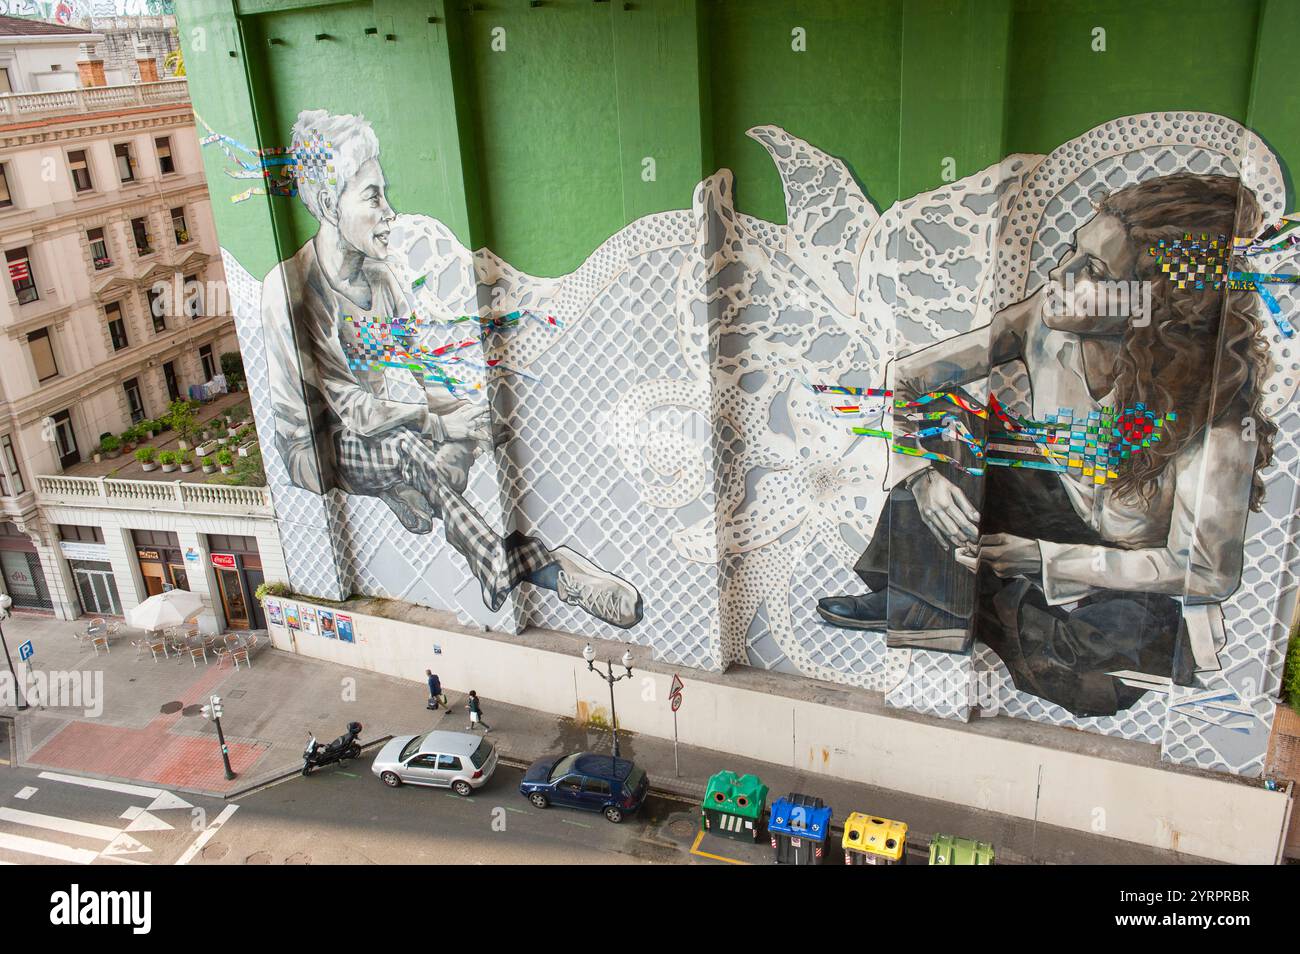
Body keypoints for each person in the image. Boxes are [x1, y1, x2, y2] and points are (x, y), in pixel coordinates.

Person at [817, 173, 1276, 717]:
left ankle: (953, 598)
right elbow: (912, 377)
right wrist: (922, 475)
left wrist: (1038, 559)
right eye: (1072, 253)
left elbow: (1205, 572)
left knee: (1102, 664)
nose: (1062, 273)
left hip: (1125, 574)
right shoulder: (1042, 320)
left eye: (1096, 272)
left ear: (1159, 301)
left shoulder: (1215, 413)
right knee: (952, 420)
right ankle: (928, 597)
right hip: (1056, 509)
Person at [262, 109, 643, 630]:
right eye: (373, 196)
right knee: (405, 445)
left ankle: (414, 492)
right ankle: (534, 566)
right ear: (330, 203)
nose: (389, 211)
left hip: (386, 431)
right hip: (318, 447)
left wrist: (462, 429)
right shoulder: (291, 290)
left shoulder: (383, 282)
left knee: (459, 430)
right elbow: (353, 411)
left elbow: (426, 376)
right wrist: (439, 426)